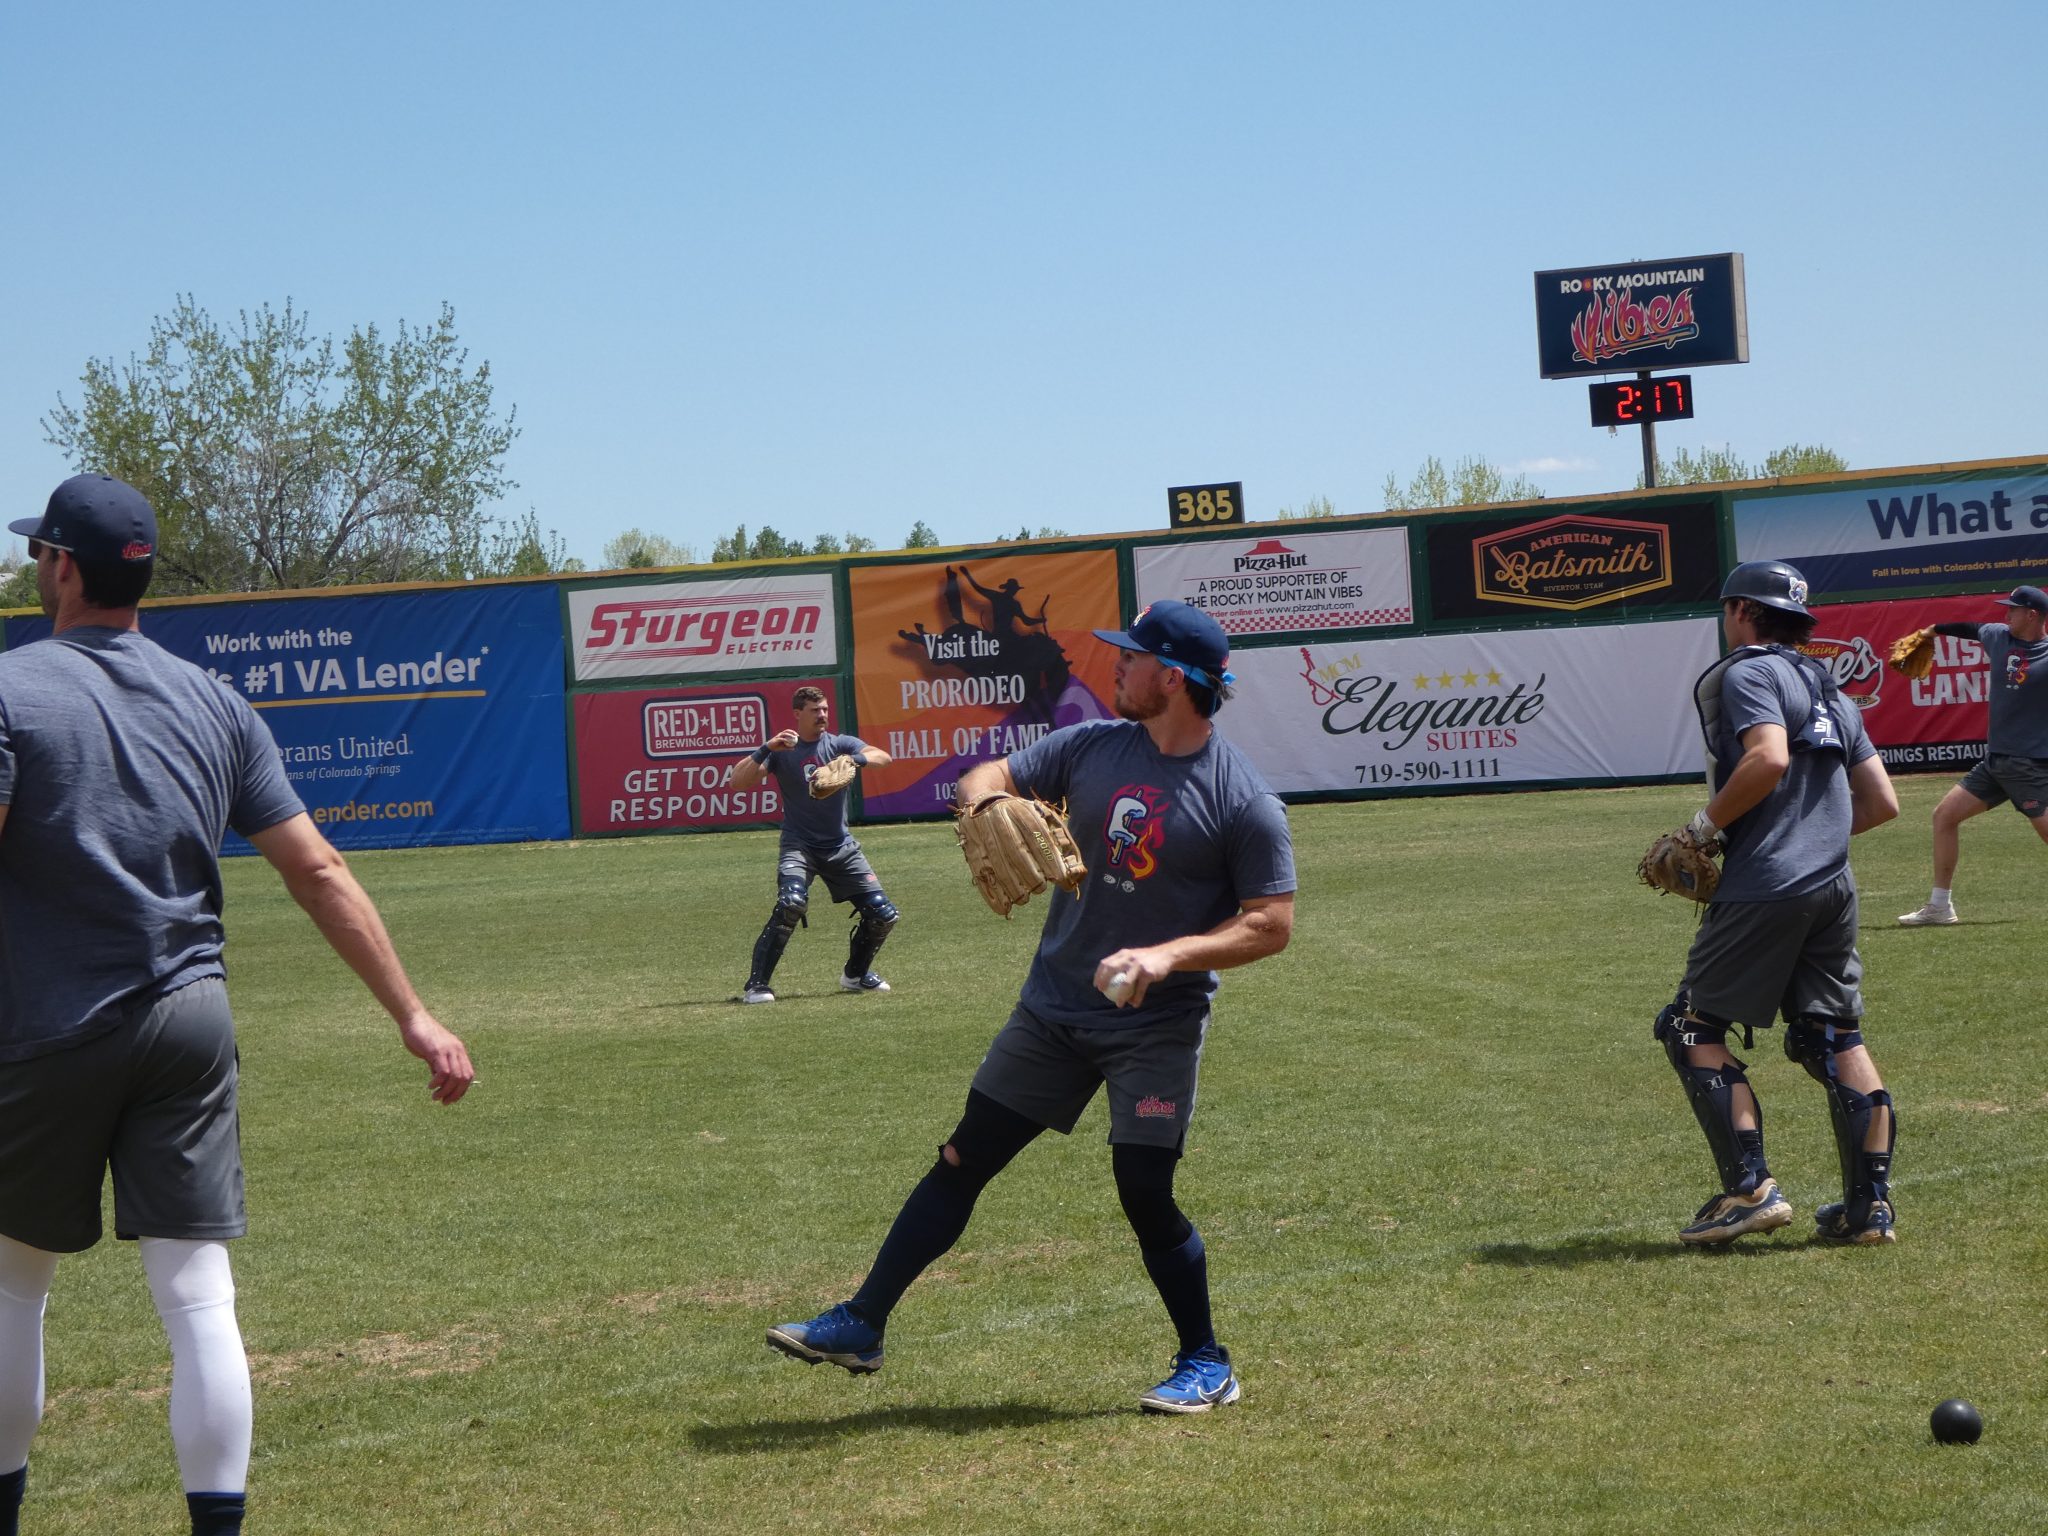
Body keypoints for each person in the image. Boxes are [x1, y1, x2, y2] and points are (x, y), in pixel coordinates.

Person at [0, 476, 475, 1536]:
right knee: (198, 1296)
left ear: (66, 567)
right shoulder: (215, 701)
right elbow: (316, 870)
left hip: (48, 1027)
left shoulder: (9, 688)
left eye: (41, 554)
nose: (38, 568)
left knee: (14, 1285)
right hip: (189, 1021)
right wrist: (414, 1015)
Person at [764, 600, 1295, 1413]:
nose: (1114, 663)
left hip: (1154, 1023)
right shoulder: (1091, 745)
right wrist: (983, 805)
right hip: (1053, 1008)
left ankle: (1206, 1361)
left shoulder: (1241, 798)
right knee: (962, 1158)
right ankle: (862, 1322)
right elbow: (995, 774)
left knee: (1143, 1191)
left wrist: (1165, 956)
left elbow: (1270, 923)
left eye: (1132, 655)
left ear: (1176, 678)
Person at [1652, 560, 1902, 1248]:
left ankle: (1750, 1190)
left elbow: (1767, 759)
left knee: (1692, 1028)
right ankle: (1868, 1210)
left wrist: (1701, 832)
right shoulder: (1831, 691)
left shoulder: (1748, 672)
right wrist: (1810, 833)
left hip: (1766, 883)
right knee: (1833, 1037)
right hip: (1833, 885)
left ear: (1739, 611)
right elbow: (1882, 803)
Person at [725, 686, 897, 1001]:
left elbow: (883, 757)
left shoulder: (840, 744)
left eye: (825, 709)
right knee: (791, 903)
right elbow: (738, 781)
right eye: (815, 710)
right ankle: (757, 985)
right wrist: (765, 748)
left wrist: (854, 758)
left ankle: (856, 975)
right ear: (797, 714)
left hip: (841, 847)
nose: (822, 715)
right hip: (799, 846)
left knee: (883, 914)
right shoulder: (782, 750)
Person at [1896, 584, 2048, 925]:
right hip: (1995, 763)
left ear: (2033, 614)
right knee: (1944, 817)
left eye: (2013, 608)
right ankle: (1940, 906)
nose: (2005, 613)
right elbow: (1967, 628)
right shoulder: (1998, 637)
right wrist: (1930, 631)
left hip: (2027, 766)